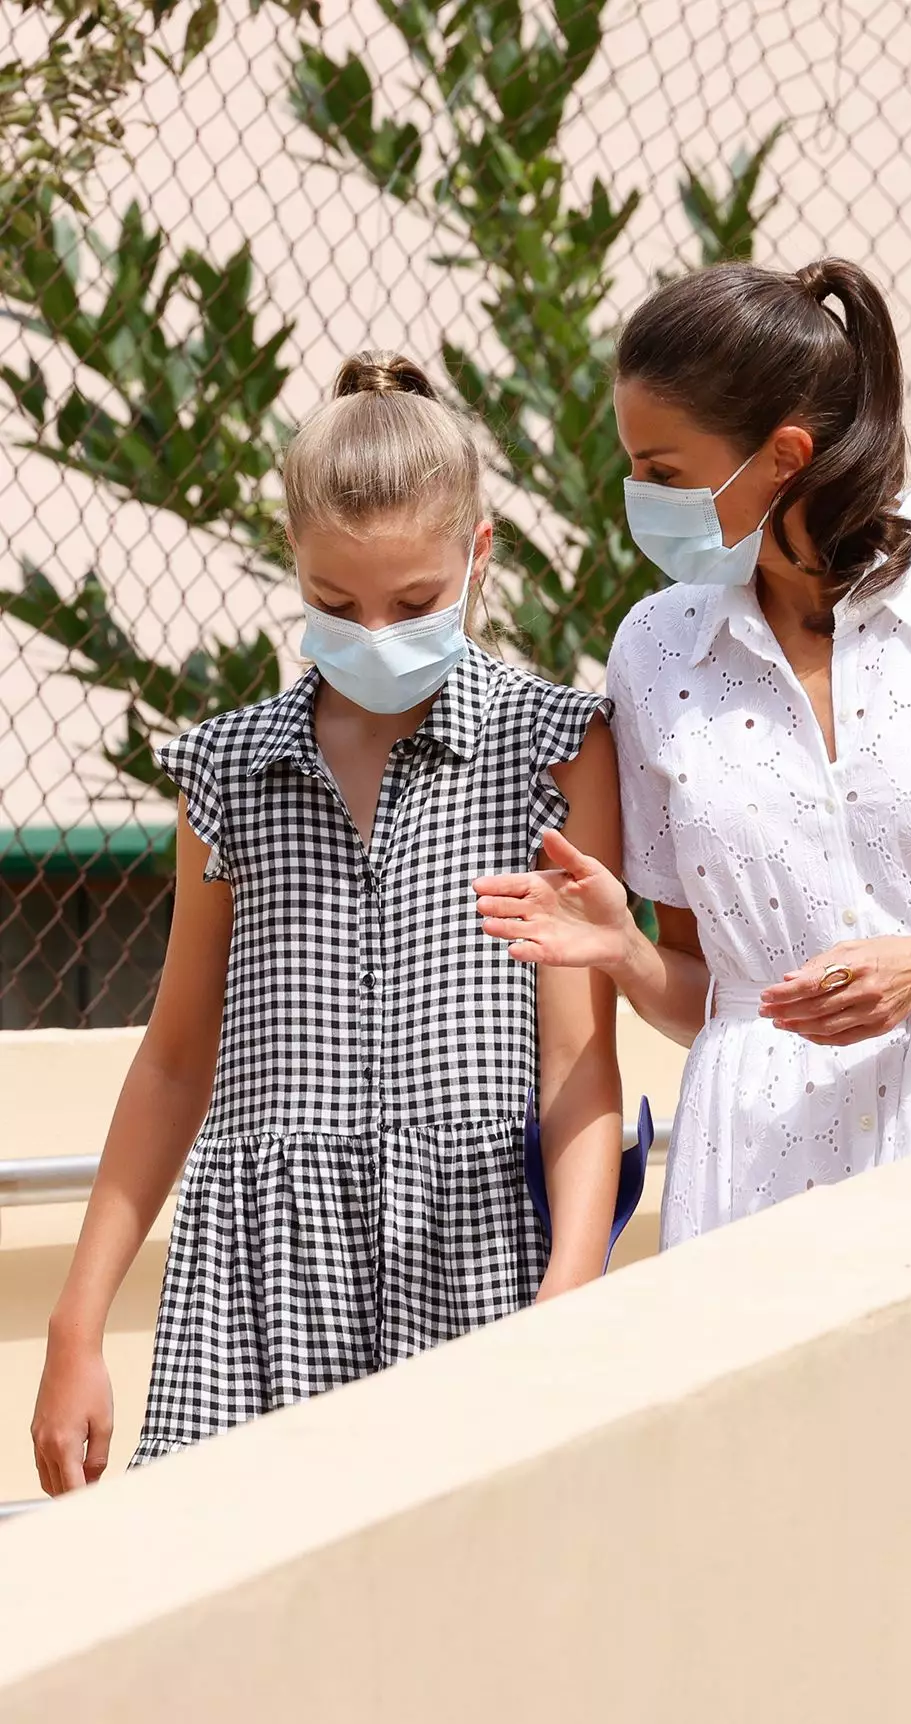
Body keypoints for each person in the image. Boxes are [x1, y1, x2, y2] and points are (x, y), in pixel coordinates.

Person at [32, 354, 622, 1492]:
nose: (374, 632)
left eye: (412, 605)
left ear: (478, 555)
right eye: (333, 606)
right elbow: (173, 1058)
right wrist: (76, 1322)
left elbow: (576, 1060)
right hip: (257, 1282)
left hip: (477, 1263)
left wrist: (575, 1283)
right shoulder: (228, 770)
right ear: (291, 565)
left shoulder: (552, 749)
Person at [475, 259, 911, 1247]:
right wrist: (624, 949)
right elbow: (725, 1000)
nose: (637, 498)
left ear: (785, 455)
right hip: (750, 1173)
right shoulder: (657, 650)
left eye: (662, 473)